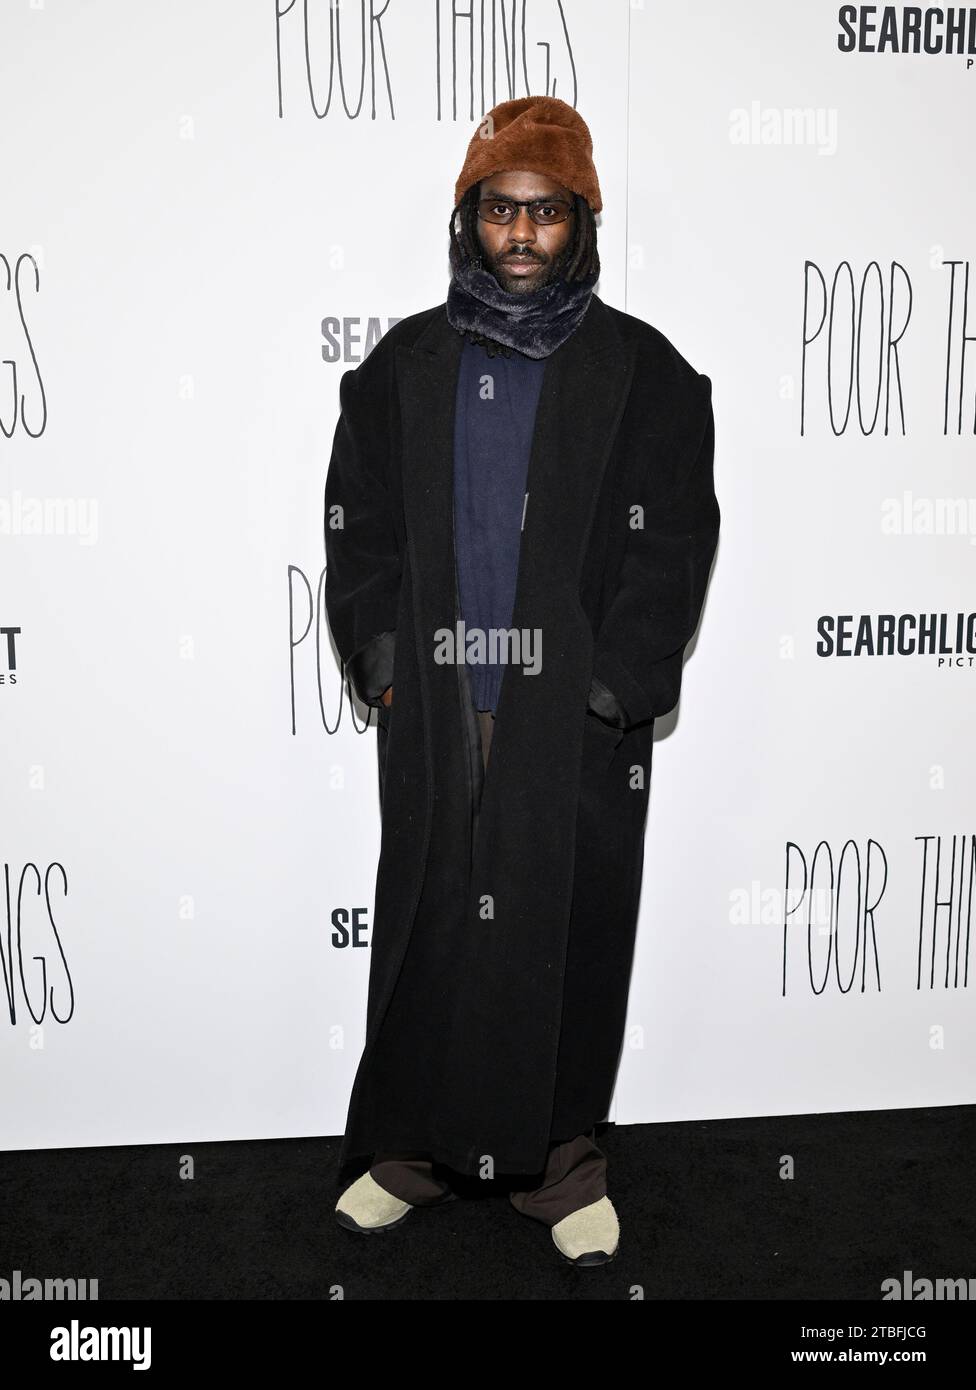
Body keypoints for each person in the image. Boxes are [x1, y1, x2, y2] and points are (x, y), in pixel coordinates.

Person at [324, 95, 720, 1267]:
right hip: (443, 708)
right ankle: (406, 1152)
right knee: (432, 925)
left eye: (546, 213)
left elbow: (675, 541)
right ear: (469, 217)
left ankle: (562, 1168)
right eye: (502, 208)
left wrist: (613, 685)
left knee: (567, 935)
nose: (521, 232)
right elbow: (360, 527)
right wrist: (387, 662)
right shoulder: (404, 364)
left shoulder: (645, 372)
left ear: (580, 225)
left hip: (571, 721)